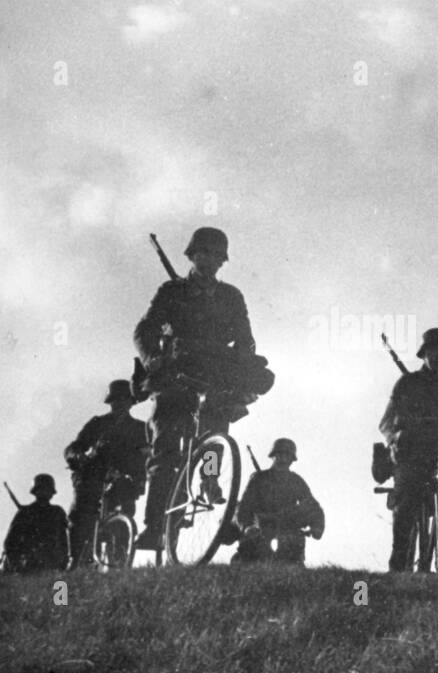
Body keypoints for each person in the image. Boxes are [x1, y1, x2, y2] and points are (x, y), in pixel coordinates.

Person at [133, 227, 272, 551]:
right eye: (203, 253)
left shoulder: (231, 297)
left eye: (215, 255)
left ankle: (212, 493)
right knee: (167, 450)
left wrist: (243, 359)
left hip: (216, 375)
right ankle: (156, 527)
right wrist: (154, 358)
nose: (208, 260)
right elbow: (145, 330)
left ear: (223, 261)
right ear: (192, 255)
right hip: (176, 374)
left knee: (212, 441)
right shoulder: (171, 291)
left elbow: (245, 338)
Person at [379, 327, 438, 572]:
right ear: (423, 354)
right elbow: (386, 423)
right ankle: (398, 561)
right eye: (432, 351)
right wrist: (396, 436)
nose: (437, 356)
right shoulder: (408, 383)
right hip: (414, 452)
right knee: (406, 499)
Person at [65, 381, 149, 568]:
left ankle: (118, 562)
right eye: (115, 400)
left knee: (124, 516)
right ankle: (75, 558)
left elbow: (145, 458)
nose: (119, 404)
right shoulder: (97, 424)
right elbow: (73, 448)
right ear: (110, 402)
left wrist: (138, 479)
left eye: (124, 399)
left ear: (130, 402)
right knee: (80, 514)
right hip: (93, 475)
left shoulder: (140, 429)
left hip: (123, 479)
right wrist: (78, 457)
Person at [232, 438, 324, 565]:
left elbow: (312, 506)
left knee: (291, 560)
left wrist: (317, 527)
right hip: (260, 525)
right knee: (253, 557)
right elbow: (244, 506)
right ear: (273, 456)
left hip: (284, 525)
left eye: (288, 456)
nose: (284, 460)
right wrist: (247, 526)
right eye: (280, 455)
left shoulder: (296, 481)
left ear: (292, 459)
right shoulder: (259, 478)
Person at [2, 474, 70, 573]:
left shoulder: (58, 512)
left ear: (51, 493)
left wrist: (63, 562)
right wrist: (17, 565)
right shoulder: (25, 513)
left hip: (52, 563)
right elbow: (10, 543)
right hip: (28, 564)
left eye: (47, 489)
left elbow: (64, 540)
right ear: (35, 492)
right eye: (41, 489)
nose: (44, 492)